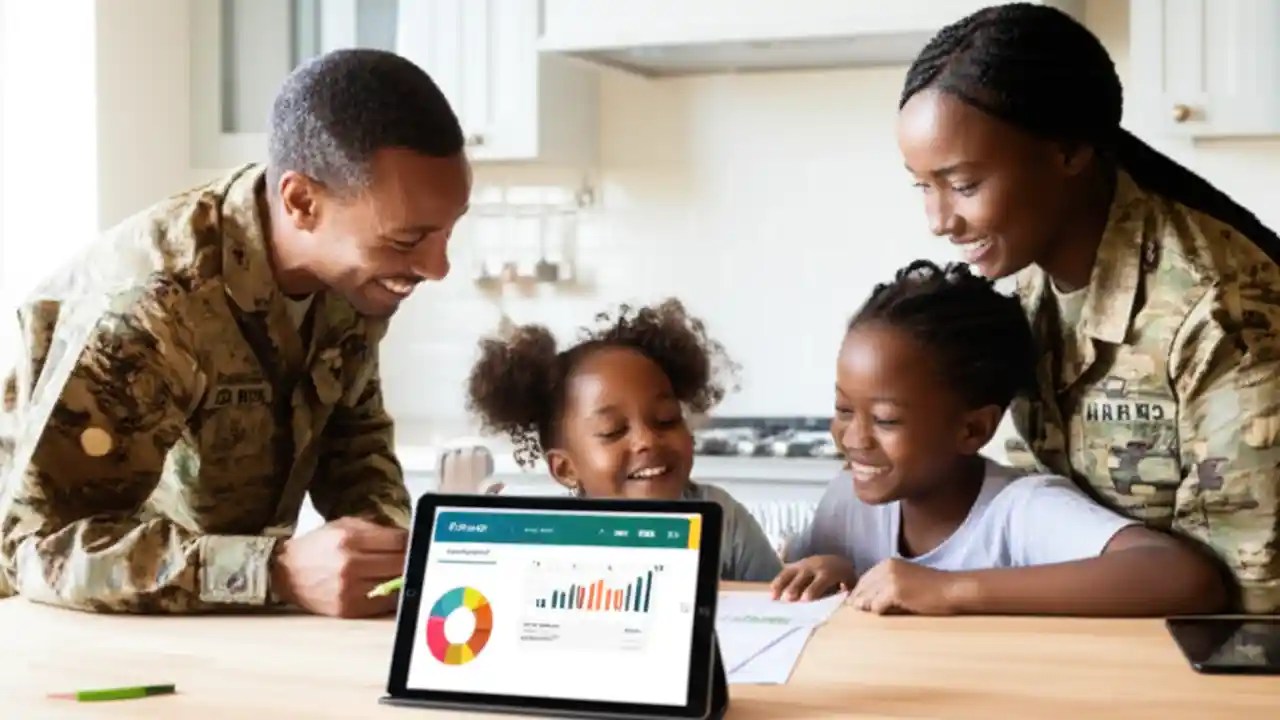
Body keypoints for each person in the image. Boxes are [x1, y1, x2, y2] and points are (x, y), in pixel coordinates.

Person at [0, 48, 471, 618]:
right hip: (56, 634)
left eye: (447, 232)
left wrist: (386, 550)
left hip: (212, 634)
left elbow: (353, 445)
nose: (438, 266)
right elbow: (40, 551)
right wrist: (275, 572)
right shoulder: (154, 303)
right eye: (407, 240)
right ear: (302, 202)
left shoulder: (350, 281)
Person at [894, 3, 1280, 613]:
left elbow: (1249, 604)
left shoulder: (1222, 310)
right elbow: (1040, 511)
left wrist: (959, 592)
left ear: (1070, 150)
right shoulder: (1025, 284)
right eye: (924, 186)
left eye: (963, 186)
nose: (938, 221)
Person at [772, 260, 1226, 617]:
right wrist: (832, 573)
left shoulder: (1021, 510)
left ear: (973, 429)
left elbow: (1185, 578)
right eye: (843, 410)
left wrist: (949, 590)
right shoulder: (846, 503)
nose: (853, 438)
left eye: (886, 420)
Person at [465, 299, 783, 582]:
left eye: (666, 419)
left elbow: (783, 606)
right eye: (613, 431)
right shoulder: (550, 538)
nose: (647, 440)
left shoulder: (724, 519)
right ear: (565, 469)